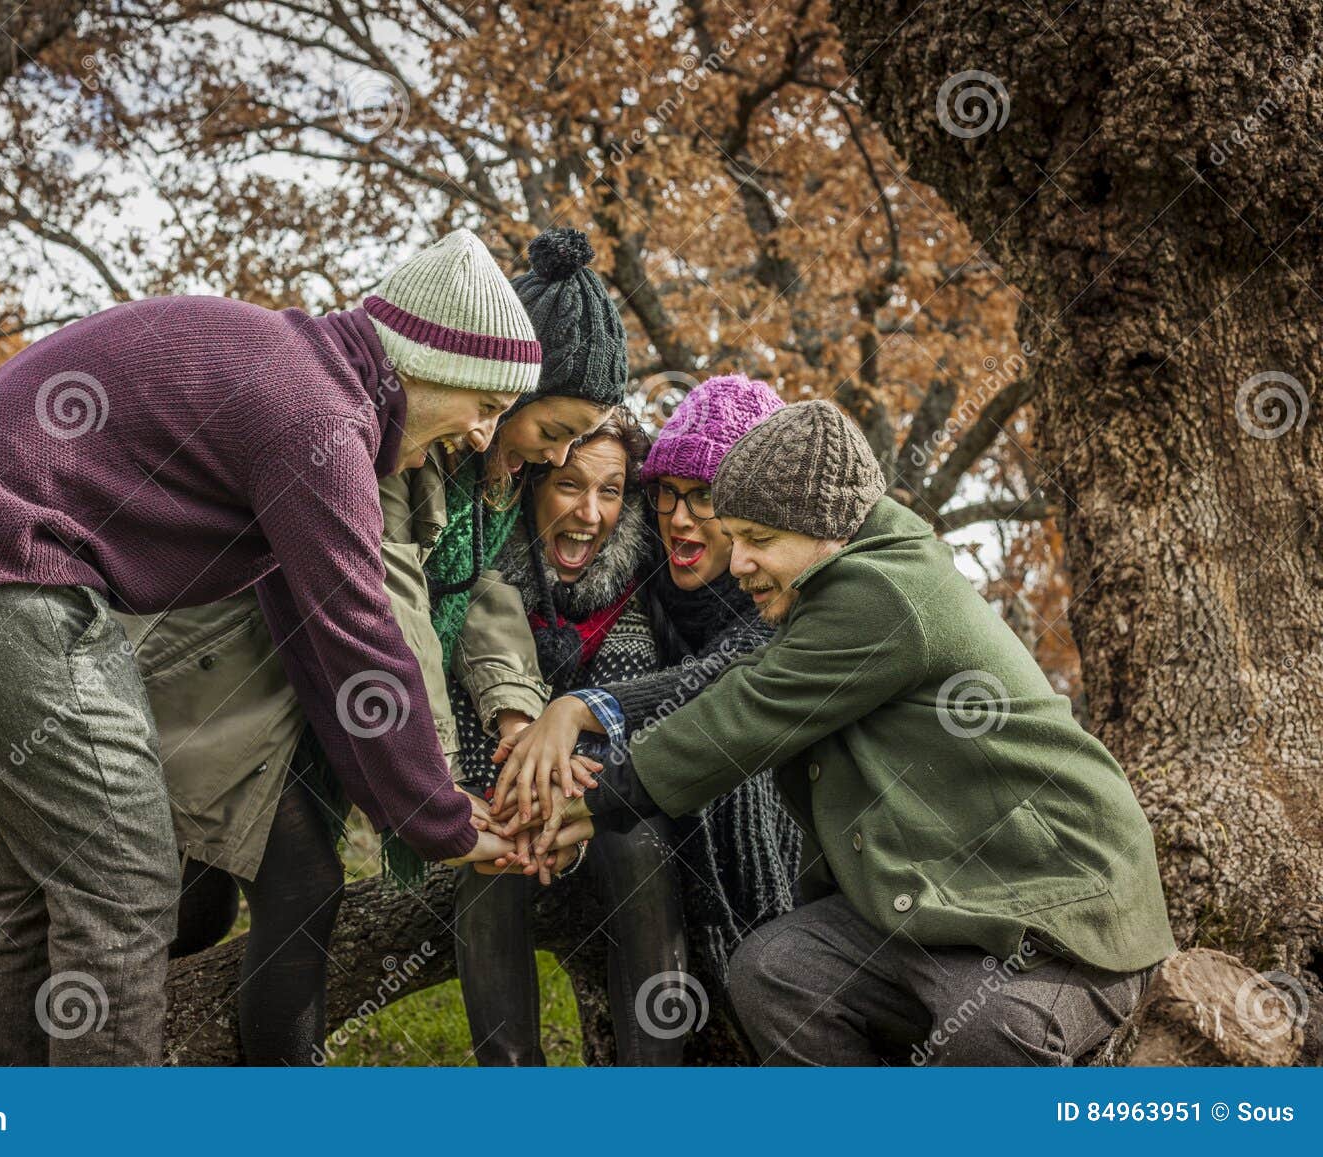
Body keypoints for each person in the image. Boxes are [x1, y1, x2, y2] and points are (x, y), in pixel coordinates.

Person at [0, 228, 536, 1065]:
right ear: (432, 361)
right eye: (486, 404)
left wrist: (420, 808)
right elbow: (362, 636)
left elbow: (314, 637)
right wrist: (442, 821)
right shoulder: (322, 419)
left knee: (29, 893)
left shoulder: (298, 379)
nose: (480, 435)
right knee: (126, 889)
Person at [515, 399, 1179, 1065]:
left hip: (1059, 918)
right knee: (777, 971)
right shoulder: (839, 584)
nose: (738, 561)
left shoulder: (884, 594)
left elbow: (745, 711)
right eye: (735, 535)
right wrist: (594, 711)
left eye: (760, 539)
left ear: (828, 528)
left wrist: (591, 800)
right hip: (941, 910)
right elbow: (745, 675)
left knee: (993, 1036)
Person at [149, 227, 624, 1064]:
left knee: (225, 892)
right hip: (247, 669)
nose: (561, 456)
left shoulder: (497, 475)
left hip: (311, 684)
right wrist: (435, 781)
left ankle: (140, 1045)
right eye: (556, 428)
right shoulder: (400, 443)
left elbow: (479, 594)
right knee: (278, 886)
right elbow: (391, 607)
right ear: (505, 389)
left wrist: (515, 710)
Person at [460, 387, 801, 1065]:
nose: (678, 517)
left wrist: (580, 738)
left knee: (630, 832)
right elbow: (473, 665)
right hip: (572, 789)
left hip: (694, 823)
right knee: (499, 839)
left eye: (701, 495)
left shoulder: (775, 590)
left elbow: (701, 687)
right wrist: (524, 799)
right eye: (666, 494)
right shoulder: (490, 564)